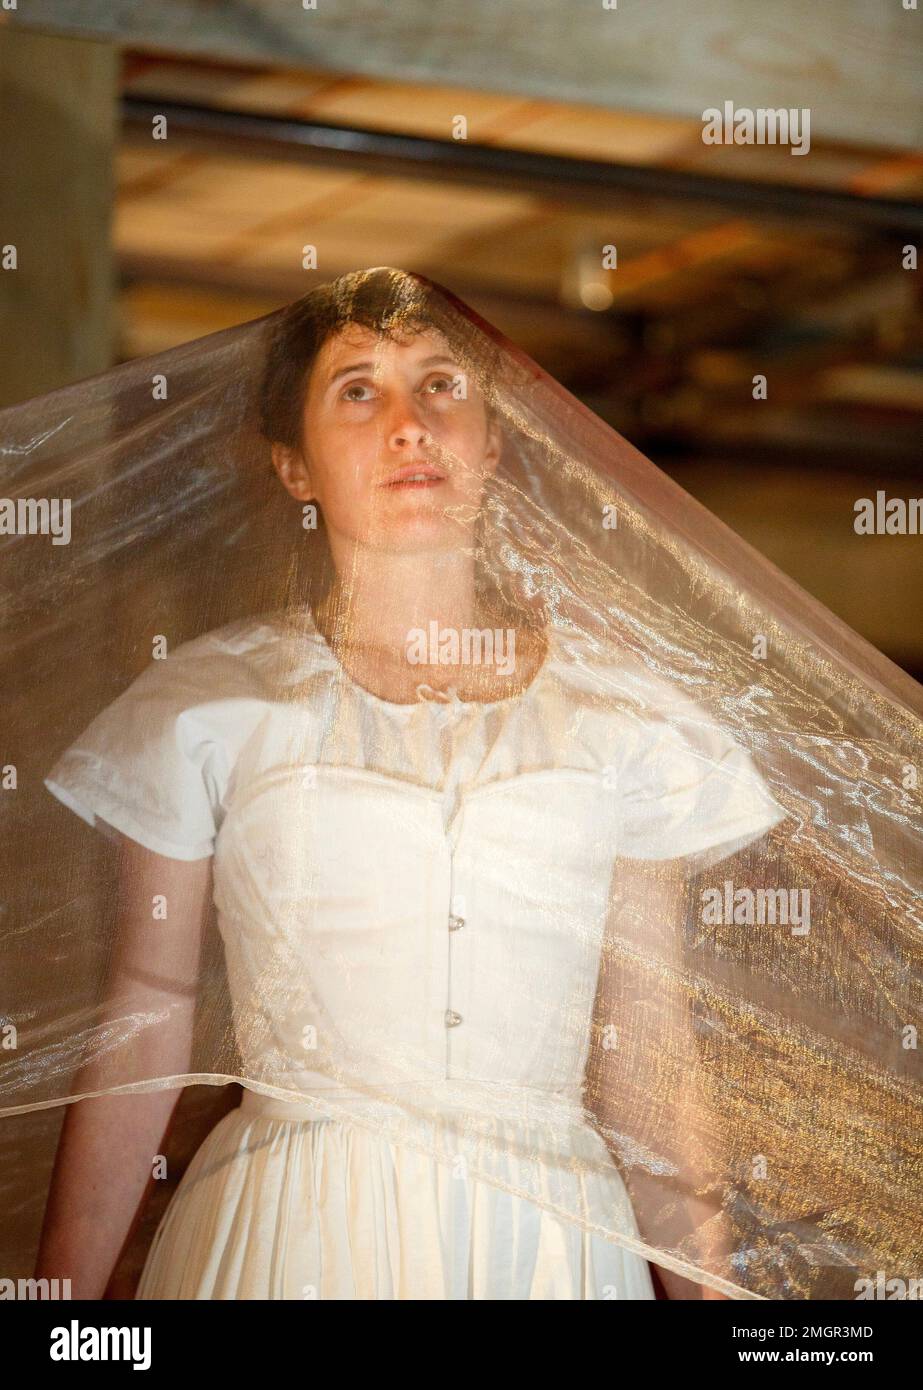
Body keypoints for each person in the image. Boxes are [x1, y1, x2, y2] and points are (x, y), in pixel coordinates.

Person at [32, 268, 789, 1300]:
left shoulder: (630, 725)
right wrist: (57, 1312)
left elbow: (649, 1055)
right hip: (285, 1234)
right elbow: (148, 1012)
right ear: (292, 465)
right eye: (358, 389)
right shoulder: (204, 708)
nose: (408, 424)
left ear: (491, 443)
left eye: (441, 385)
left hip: (553, 1244)